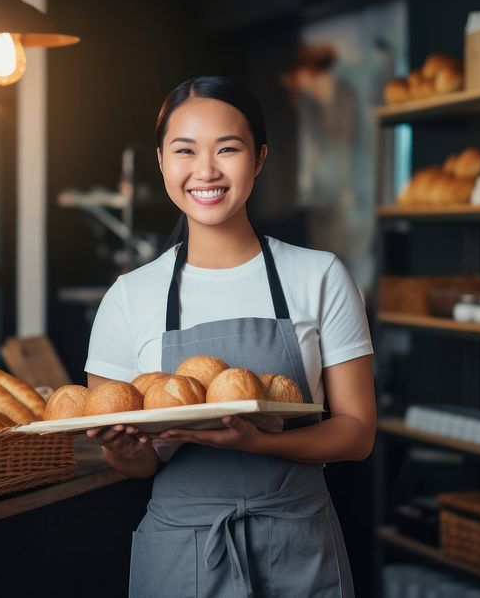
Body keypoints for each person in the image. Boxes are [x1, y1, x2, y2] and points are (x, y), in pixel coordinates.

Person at [85, 76, 377, 597]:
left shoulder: (320, 276)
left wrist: (263, 443)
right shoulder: (128, 297)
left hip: (298, 546)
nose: (206, 171)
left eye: (227, 149)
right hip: (183, 554)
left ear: (259, 158)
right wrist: (121, 448)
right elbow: (140, 464)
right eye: (185, 151)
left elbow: (357, 433)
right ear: (162, 162)